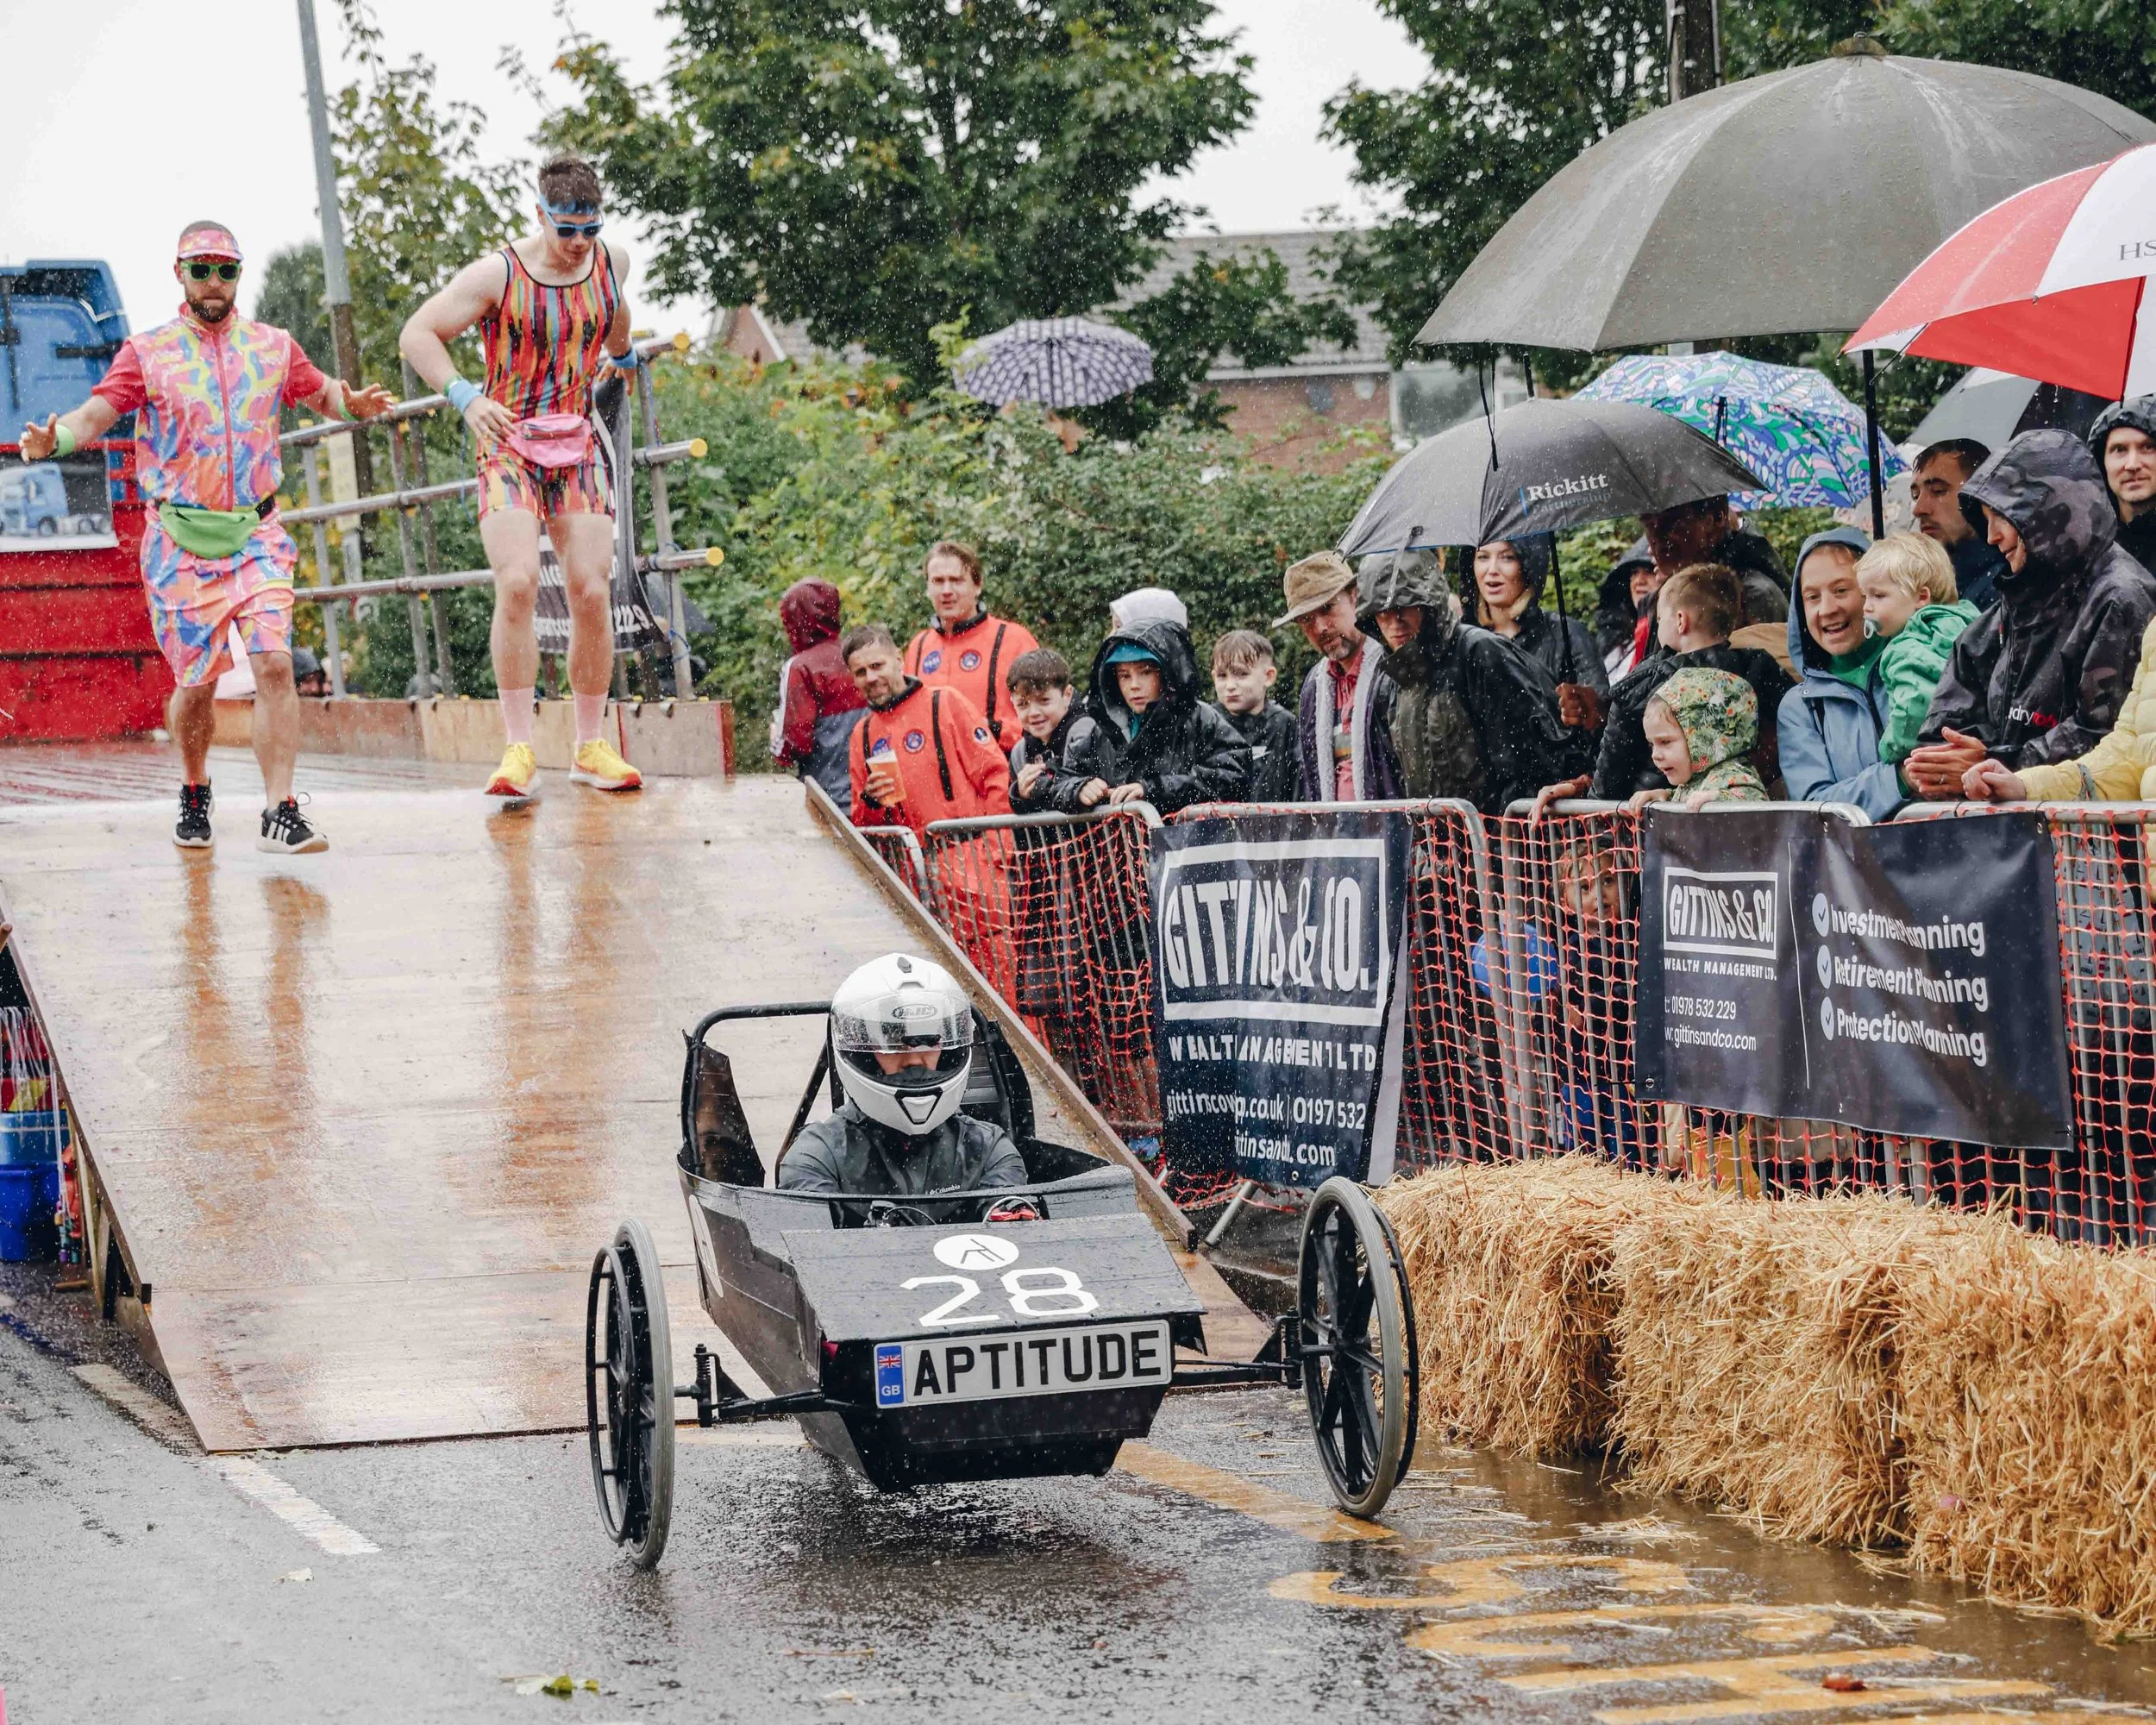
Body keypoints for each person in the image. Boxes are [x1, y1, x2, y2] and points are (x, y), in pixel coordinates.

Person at [16, 221, 392, 853]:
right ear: (180, 274)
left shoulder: (273, 347)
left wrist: (349, 404)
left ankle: (279, 810)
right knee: (198, 685)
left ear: (238, 274)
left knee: (275, 664)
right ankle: (195, 786)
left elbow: (321, 391)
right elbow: (97, 413)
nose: (213, 281)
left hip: (256, 532)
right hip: (180, 541)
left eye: (226, 269)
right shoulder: (148, 353)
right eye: (201, 268)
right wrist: (57, 441)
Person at [399, 153, 644, 801]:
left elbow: (615, 310)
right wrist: (465, 396)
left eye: (590, 229)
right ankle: (518, 749)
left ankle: (590, 746)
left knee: (591, 589)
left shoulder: (611, 261)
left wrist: (623, 356)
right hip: (508, 440)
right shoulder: (498, 274)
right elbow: (417, 333)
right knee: (517, 582)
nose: (579, 243)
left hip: (576, 438)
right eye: (567, 230)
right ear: (540, 216)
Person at [1904, 430, 2156, 799]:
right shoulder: (2012, 600)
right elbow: (1942, 731)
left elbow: (2107, 738)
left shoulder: (2121, 598)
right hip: (2011, 821)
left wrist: (1997, 763)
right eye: (1986, 520)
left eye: (2001, 518)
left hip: (2084, 826)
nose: (1992, 537)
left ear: (2045, 514)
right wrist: (1960, 763)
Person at [1534, 563, 1791, 812]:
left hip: (1653, 814)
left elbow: (1613, 764)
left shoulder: (1644, 682)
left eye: (1659, 618)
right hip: (1737, 800)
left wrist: (1594, 803)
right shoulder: (1760, 668)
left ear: (1680, 621)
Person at [778, 953, 1028, 1199]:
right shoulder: (817, 1156)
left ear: (947, 1048)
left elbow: (1009, 1216)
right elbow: (812, 1223)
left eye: (929, 1040)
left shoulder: (988, 1150)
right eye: (894, 1041)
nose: (914, 1060)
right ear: (864, 1053)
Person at [1360, 548, 1583, 814]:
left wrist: (1505, 835)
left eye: (1405, 606)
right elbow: (1399, 782)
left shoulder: (1479, 652)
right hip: (1439, 838)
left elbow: (1527, 763)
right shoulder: (1392, 680)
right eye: (1382, 610)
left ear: (1429, 604)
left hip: (1504, 833)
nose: (1394, 621)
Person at [1777, 526, 1907, 820]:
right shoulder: (1801, 707)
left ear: (1873, 592)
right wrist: (1900, 779)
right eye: (1812, 597)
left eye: (1841, 590)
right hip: (1857, 852)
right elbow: (1815, 810)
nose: (1827, 609)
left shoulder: (1920, 664)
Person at [1063, 620, 1249, 815]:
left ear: (1165, 673)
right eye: (1124, 676)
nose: (1134, 685)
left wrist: (1154, 789)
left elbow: (1233, 777)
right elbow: (1063, 779)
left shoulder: (1200, 718)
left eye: (1145, 672)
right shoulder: (1105, 728)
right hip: (1125, 836)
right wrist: (1079, 788)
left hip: (1188, 834)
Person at [843, 624, 1011, 834]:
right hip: (909, 853)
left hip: (969, 849)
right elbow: (864, 826)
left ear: (898, 659)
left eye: (877, 666)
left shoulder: (945, 703)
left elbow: (995, 777)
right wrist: (871, 803)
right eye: (861, 672)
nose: (870, 678)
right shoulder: (863, 734)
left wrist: (996, 844)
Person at [1279, 550, 1401, 802]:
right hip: (1336, 826)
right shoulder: (1314, 686)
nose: (1320, 627)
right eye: (1306, 620)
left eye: (1327, 608)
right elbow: (1311, 777)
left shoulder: (1393, 668)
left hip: (1391, 822)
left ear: (1354, 597)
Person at [901, 541, 1040, 750]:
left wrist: (990, 730)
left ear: (977, 585)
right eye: (938, 581)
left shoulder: (1013, 640)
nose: (947, 590)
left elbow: (1044, 717)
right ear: (928, 587)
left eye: (956, 580)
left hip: (1002, 762)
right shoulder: (919, 647)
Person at [1856, 533, 1979, 766]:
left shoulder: (1905, 648)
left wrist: (1889, 751)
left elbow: (1914, 710)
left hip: (1938, 756)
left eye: (1878, 596)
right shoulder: (1970, 621)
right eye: (1865, 596)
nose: (1866, 607)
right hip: (1979, 746)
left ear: (1921, 597)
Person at [1470, 535, 1608, 734]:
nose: (1492, 570)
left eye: (1507, 557)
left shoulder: (1566, 635)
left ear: (1528, 566)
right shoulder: (1464, 641)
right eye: (1483, 557)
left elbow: (1604, 717)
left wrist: (1587, 709)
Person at [770, 577, 866, 803]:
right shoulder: (859, 653)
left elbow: (794, 744)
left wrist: (775, 739)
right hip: (869, 795)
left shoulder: (800, 667)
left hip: (829, 797)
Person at [1639, 494, 1789, 630]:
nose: (1657, 536)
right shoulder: (1661, 598)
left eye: (1671, 523)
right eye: (1649, 525)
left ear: (1716, 519)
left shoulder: (1753, 596)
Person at [1631, 668, 1771, 810]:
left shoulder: (1732, 776)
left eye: (1665, 742)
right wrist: (1667, 798)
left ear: (1705, 736)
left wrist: (1719, 800)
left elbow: (1756, 806)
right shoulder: (1694, 779)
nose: (1655, 755)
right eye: (1651, 745)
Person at [1909, 438, 2007, 612]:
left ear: (1979, 497)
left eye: (1938, 491)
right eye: (1916, 496)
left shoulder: (2004, 587)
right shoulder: (1923, 584)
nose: (1918, 509)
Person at [1006, 648, 1106, 814]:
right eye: (1023, 704)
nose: (1033, 712)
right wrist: (1020, 795)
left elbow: (1080, 790)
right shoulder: (1020, 752)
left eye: (1044, 700)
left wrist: (1041, 788)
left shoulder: (1086, 731)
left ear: (1067, 695)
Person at [1210, 630, 1300, 803]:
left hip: (1275, 818)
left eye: (1242, 674)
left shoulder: (1283, 724)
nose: (1230, 685)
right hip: (1219, 820)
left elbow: (1297, 787)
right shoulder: (1208, 724)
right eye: (1222, 676)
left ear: (1269, 676)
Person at [2089, 398, 2156, 575]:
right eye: (2119, 450)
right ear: (2102, 462)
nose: (2132, 465)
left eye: (2148, 447)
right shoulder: (2086, 547)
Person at [1595, 537, 1658, 681]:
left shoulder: (1670, 639)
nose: (1639, 581)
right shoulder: (1617, 641)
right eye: (1634, 573)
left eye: (1649, 571)